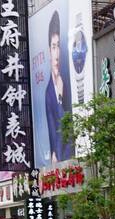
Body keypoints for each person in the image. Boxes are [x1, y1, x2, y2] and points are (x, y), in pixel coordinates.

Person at [44, 10, 74, 163]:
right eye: (53, 46)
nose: (56, 53)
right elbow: (55, 132)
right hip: (62, 159)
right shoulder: (49, 92)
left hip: (75, 154)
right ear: (49, 49)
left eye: (59, 46)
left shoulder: (69, 80)